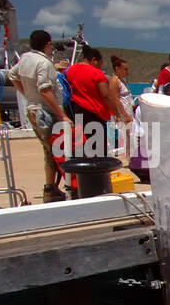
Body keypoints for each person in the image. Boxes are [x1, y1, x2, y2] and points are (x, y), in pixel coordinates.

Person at [7, 30, 71, 199]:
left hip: (34, 109)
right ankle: (51, 189)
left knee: (50, 149)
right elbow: (45, 90)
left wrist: (27, 95)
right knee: (54, 150)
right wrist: (62, 115)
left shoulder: (25, 58)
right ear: (48, 44)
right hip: (46, 112)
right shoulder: (44, 63)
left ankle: (53, 187)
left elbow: (12, 75)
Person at [65, 45, 123, 159]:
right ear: (94, 60)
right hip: (94, 115)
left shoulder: (70, 70)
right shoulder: (96, 73)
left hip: (76, 114)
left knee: (81, 152)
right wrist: (117, 114)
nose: (100, 67)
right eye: (100, 64)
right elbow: (106, 95)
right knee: (98, 154)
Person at [107, 55, 135, 158]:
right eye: (125, 69)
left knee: (130, 138)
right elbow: (115, 100)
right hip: (123, 115)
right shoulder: (115, 81)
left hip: (128, 112)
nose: (127, 72)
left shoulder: (122, 80)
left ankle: (130, 158)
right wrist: (123, 115)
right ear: (117, 69)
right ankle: (128, 158)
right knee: (126, 138)